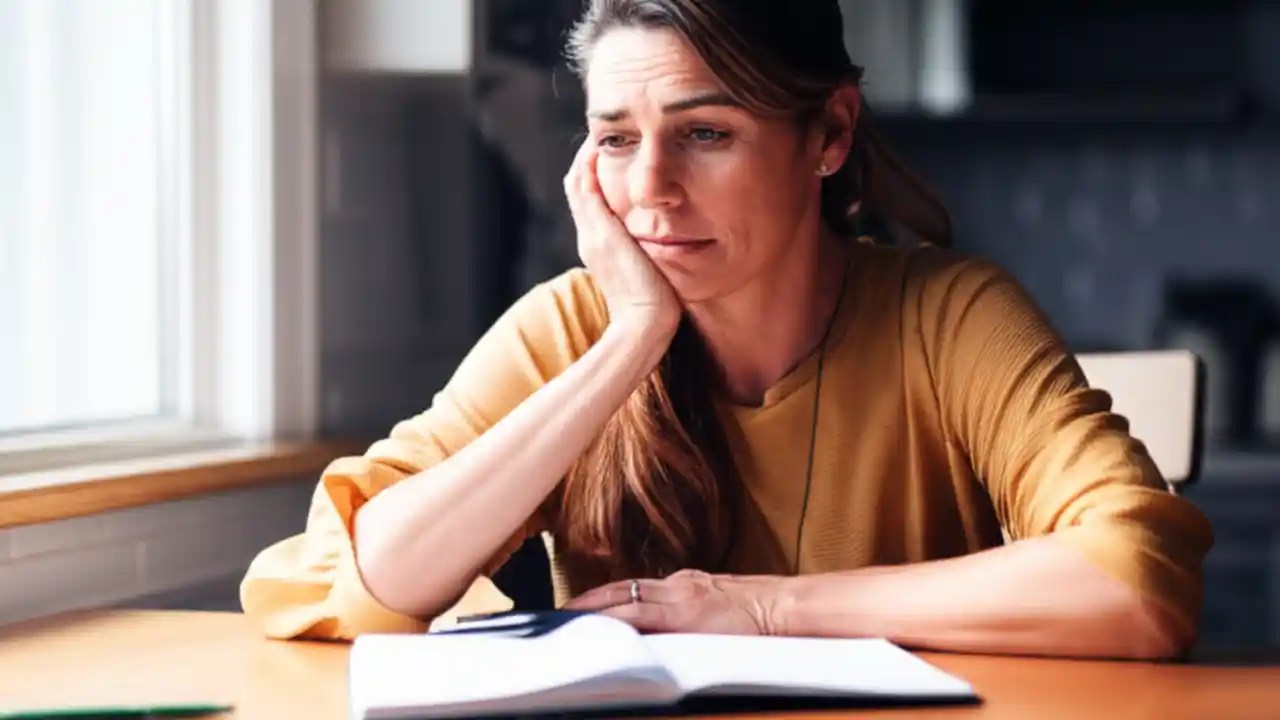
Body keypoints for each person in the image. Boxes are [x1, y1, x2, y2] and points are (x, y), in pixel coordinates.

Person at [240, 0, 1212, 659]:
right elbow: (351, 579)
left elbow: (1134, 579)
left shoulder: (948, 319)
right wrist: (631, 337)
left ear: (828, 134)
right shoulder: (572, 330)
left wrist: (760, 607)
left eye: (705, 133)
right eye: (616, 139)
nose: (650, 189)